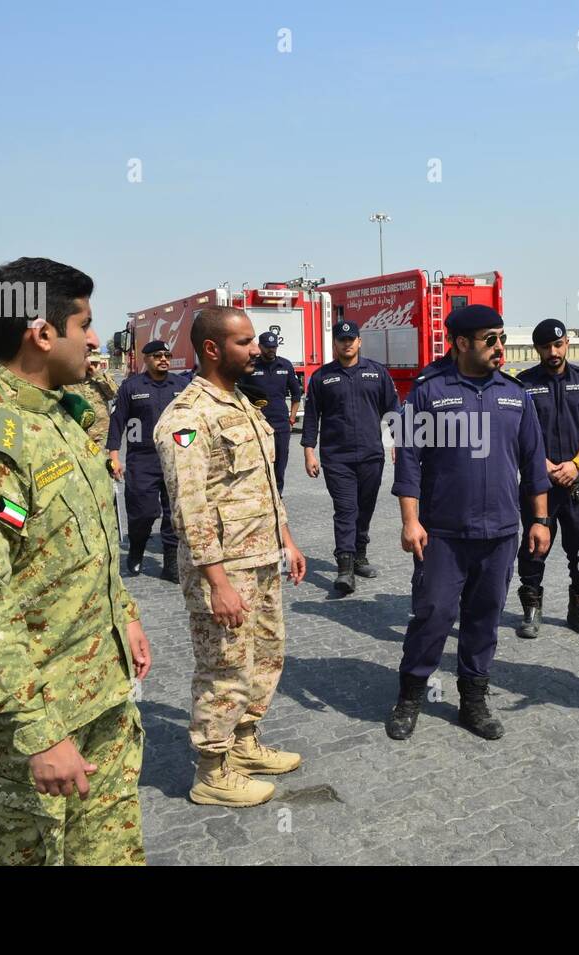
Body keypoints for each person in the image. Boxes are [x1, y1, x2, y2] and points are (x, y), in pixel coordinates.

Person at [0, 256, 152, 865]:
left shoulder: (58, 415)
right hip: (29, 725)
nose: (95, 340)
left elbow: (84, 542)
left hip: (96, 691)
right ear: (42, 334)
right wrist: (39, 733)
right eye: (85, 325)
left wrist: (123, 614)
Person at [155, 306, 307, 807]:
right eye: (244, 342)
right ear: (213, 349)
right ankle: (212, 771)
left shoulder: (242, 403)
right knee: (224, 668)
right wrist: (217, 583)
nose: (256, 349)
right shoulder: (186, 417)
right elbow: (189, 509)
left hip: (261, 558)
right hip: (223, 571)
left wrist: (286, 538)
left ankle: (244, 744)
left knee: (265, 656)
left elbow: (263, 484)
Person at [385, 305, 550, 742]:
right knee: (433, 615)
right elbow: (408, 462)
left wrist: (540, 519)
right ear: (461, 343)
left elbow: (534, 463)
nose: (500, 348)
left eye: (502, 338)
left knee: (484, 618)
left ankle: (473, 700)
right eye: (490, 339)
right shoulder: (429, 392)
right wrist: (410, 521)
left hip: (500, 533)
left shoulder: (515, 395)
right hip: (442, 533)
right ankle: (410, 696)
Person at [515, 319, 579, 639]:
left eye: (558, 345)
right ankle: (531, 607)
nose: (553, 352)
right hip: (539, 483)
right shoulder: (523, 384)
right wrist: (543, 466)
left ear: (567, 342)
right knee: (534, 546)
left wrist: (577, 464)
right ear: (536, 349)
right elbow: (517, 432)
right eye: (545, 347)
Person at [301, 320, 399, 594]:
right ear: (335, 343)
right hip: (337, 458)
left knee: (365, 508)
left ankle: (359, 557)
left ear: (359, 342)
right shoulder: (322, 377)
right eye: (342, 340)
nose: (347, 343)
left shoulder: (377, 373)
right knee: (346, 509)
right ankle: (344, 567)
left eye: (351, 339)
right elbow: (312, 417)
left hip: (371, 455)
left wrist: (398, 442)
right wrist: (309, 451)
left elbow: (392, 409)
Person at [108, 340, 188, 580]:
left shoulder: (182, 385)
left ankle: (171, 563)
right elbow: (117, 421)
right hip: (142, 458)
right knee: (143, 512)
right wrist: (113, 456)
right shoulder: (131, 387)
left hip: (175, 456)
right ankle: (136, 549)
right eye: (157, 356)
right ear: (146, 359)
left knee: (174, 511)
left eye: (167, 355)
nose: (163, 359)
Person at [241, 331, 303, 494]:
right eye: (268, 347)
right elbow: (240, 393)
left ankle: (278, 495)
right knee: (260, 463)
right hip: (258, 424)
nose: (271, 350)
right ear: (260, 347)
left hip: (281, 424)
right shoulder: (252, 366)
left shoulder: (285, 365)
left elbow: (296, 394)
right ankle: (262, 496)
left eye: (274, 347)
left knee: (280, 463)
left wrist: (291, 419)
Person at [65, 352, 117, 449]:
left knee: (102, 458)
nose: (90, 366)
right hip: (77, 433)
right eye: (89, 363)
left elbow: (113, 394)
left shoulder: (102, 378)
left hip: (100, 433)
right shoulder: (69, 379)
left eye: (94, 363)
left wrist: (97, 375)